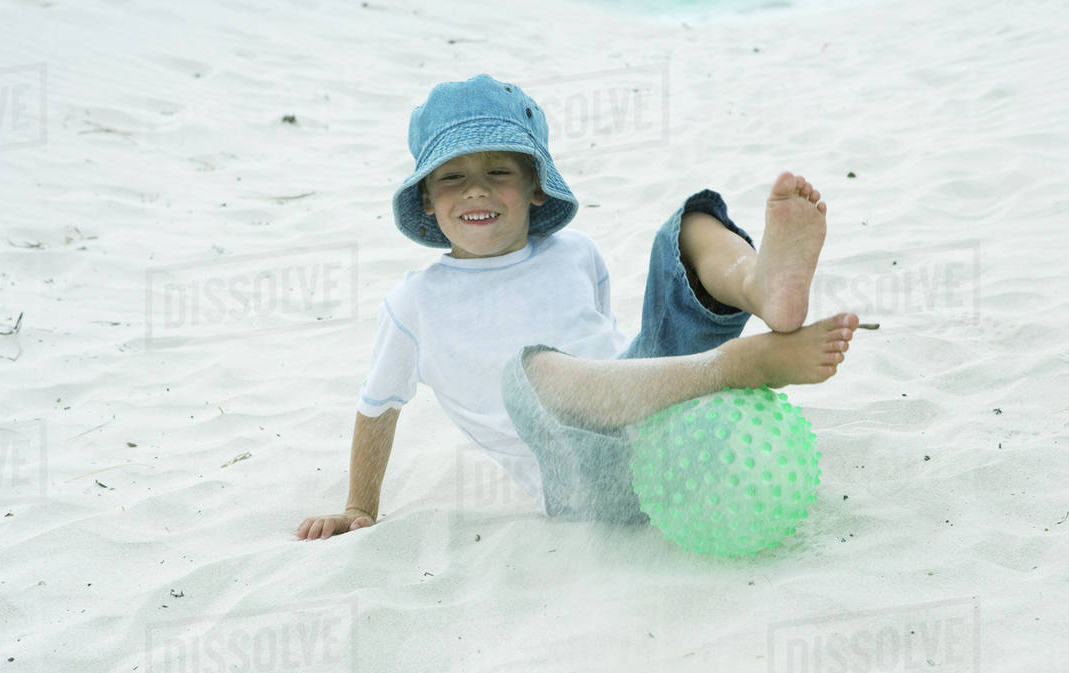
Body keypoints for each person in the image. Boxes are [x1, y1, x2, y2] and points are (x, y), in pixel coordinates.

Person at [296, 73, 859, 540]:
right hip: (584, 476)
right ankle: (734, 364)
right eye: (452, 177)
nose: (475, 190)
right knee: (528, 371)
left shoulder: (575, 252)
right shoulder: (414, 303)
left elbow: (606, 336)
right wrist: (357, 506)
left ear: (536, 186)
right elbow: (378, 407)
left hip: (662, 400)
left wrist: (649, 384)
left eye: (498, 171)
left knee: (685, 227)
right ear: (426, 198)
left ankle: (761, 287)